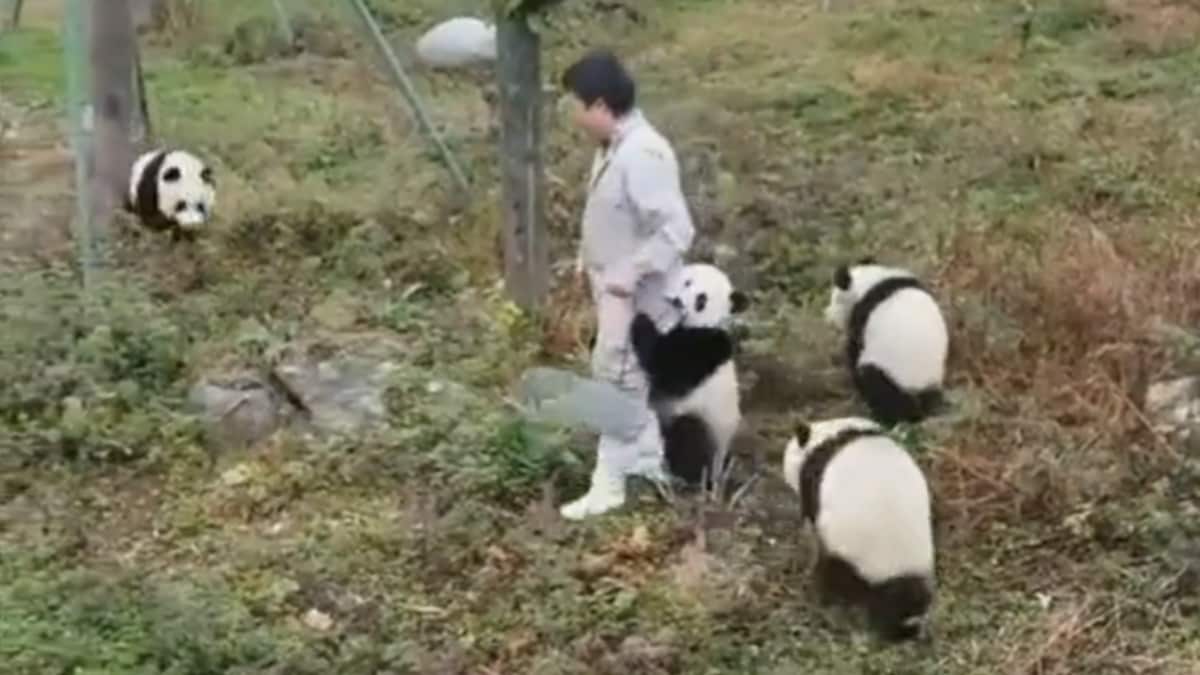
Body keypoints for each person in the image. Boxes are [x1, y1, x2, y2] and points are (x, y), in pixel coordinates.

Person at [558, 48, 696, 520]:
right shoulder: (613, 148)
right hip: (615, 292)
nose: (574, 118)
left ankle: (609, 485)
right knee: (629, 383)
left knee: (616, 384)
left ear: (599, 106)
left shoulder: (644, 155)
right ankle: (647, 461)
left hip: (637, 297)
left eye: (576, 106)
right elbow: (611, 216)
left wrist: (628, 272)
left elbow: (677, 230)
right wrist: (586, 262)